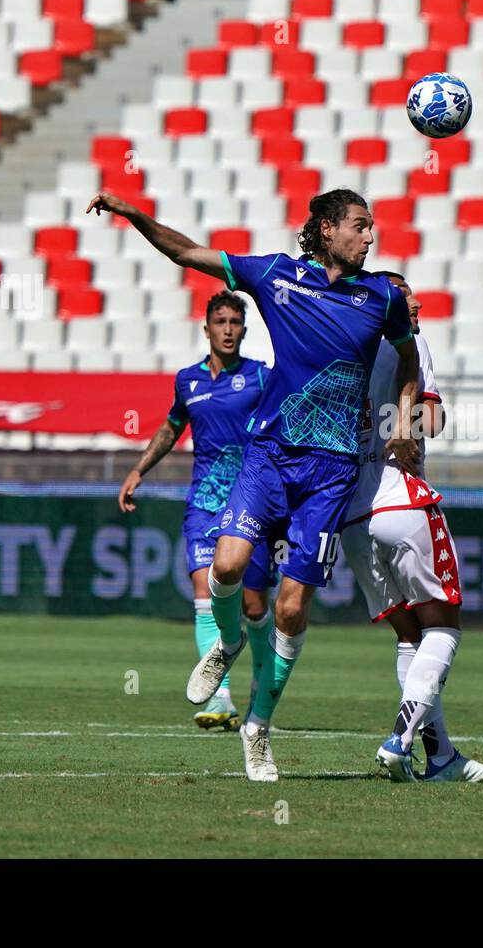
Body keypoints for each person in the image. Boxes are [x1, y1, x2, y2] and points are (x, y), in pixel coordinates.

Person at [88, 188, 420, 782]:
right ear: (324, 230)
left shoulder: (383, 297)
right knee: (227, 569)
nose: (370, 237)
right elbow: (186, 253)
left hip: (332, 469)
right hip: (268, 456)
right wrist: (136, 214)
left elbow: (409, 358)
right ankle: (229, 642)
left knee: (292, 610)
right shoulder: (276, 275)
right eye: (360, 227)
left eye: (372, 228)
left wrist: (404, 421)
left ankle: (258, 728)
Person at [340, 271, 483, 783]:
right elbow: (430, 421)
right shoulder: (410, 344)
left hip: (350, 517)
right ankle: (399, 739)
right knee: (444, 626)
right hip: (400, 501)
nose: (415, 310)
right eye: (405, 300)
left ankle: (441, 757)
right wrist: (414, 419)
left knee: (410, 637)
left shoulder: (340, 347)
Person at [117, 293, 274, 731]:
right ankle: (220, 698)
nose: (227, 329)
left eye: (235, 321)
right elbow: (172, 426)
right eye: (219, 321)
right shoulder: (188, 380)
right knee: (205, 598)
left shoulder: (263, 378)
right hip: (203, 505)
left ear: (244, 329)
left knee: (255, 606)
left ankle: (263, 691)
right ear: (205, 329)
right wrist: (139, 469)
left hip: (251, 504)